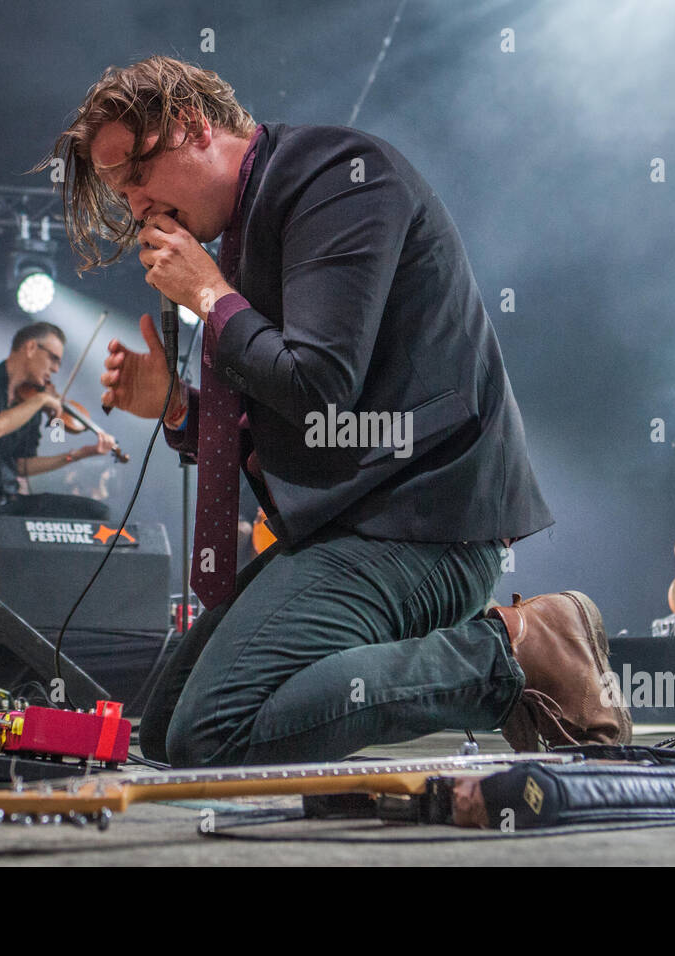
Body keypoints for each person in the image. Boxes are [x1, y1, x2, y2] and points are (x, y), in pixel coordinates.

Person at [47, 56, 631, 766]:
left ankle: (517, 649)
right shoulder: (245, 234)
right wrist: (174, 407)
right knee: (168, 731)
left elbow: (319, 384)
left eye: (135, 175)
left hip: (424, 522)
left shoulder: (338, 180)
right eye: (118, 191)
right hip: (348, 523)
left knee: (215, 731)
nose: (136, 205)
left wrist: (208, 296)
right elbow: (296, 429)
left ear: (190, 125)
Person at [0, 322, 117, 607]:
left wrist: (79, 454)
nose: (57, 369)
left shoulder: (34, 399)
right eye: (54, 358)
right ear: (31, 347)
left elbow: (21, 466)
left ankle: (74, 604)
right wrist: (40, 402)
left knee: (96, 513)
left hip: (9, 506)